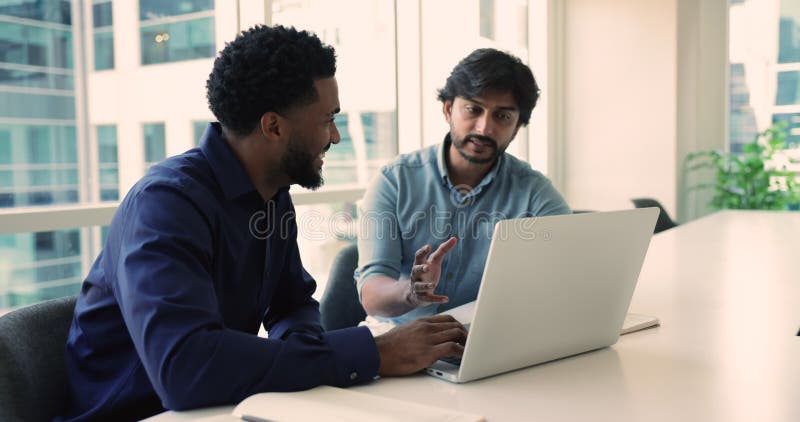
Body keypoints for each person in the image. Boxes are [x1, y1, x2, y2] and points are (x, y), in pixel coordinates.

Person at [58, 25, 466, 421]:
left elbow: (291, 303)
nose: (335, 137)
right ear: (273, 126)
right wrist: (373, 353)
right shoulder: (165, 204)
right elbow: (185, 370)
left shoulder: (271, 194)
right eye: (327, 119)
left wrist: (313, 362)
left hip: (221, 408)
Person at [356, 48, 571, 327]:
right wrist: (411, 292)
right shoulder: (395, 181)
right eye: (473, 109)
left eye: (502, 116)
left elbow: (571, 271)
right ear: (448, 109)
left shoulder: (534, 192)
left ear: (517, 127)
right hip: (399, 336)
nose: (484, 128)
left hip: (485, 339)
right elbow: (372, 295)